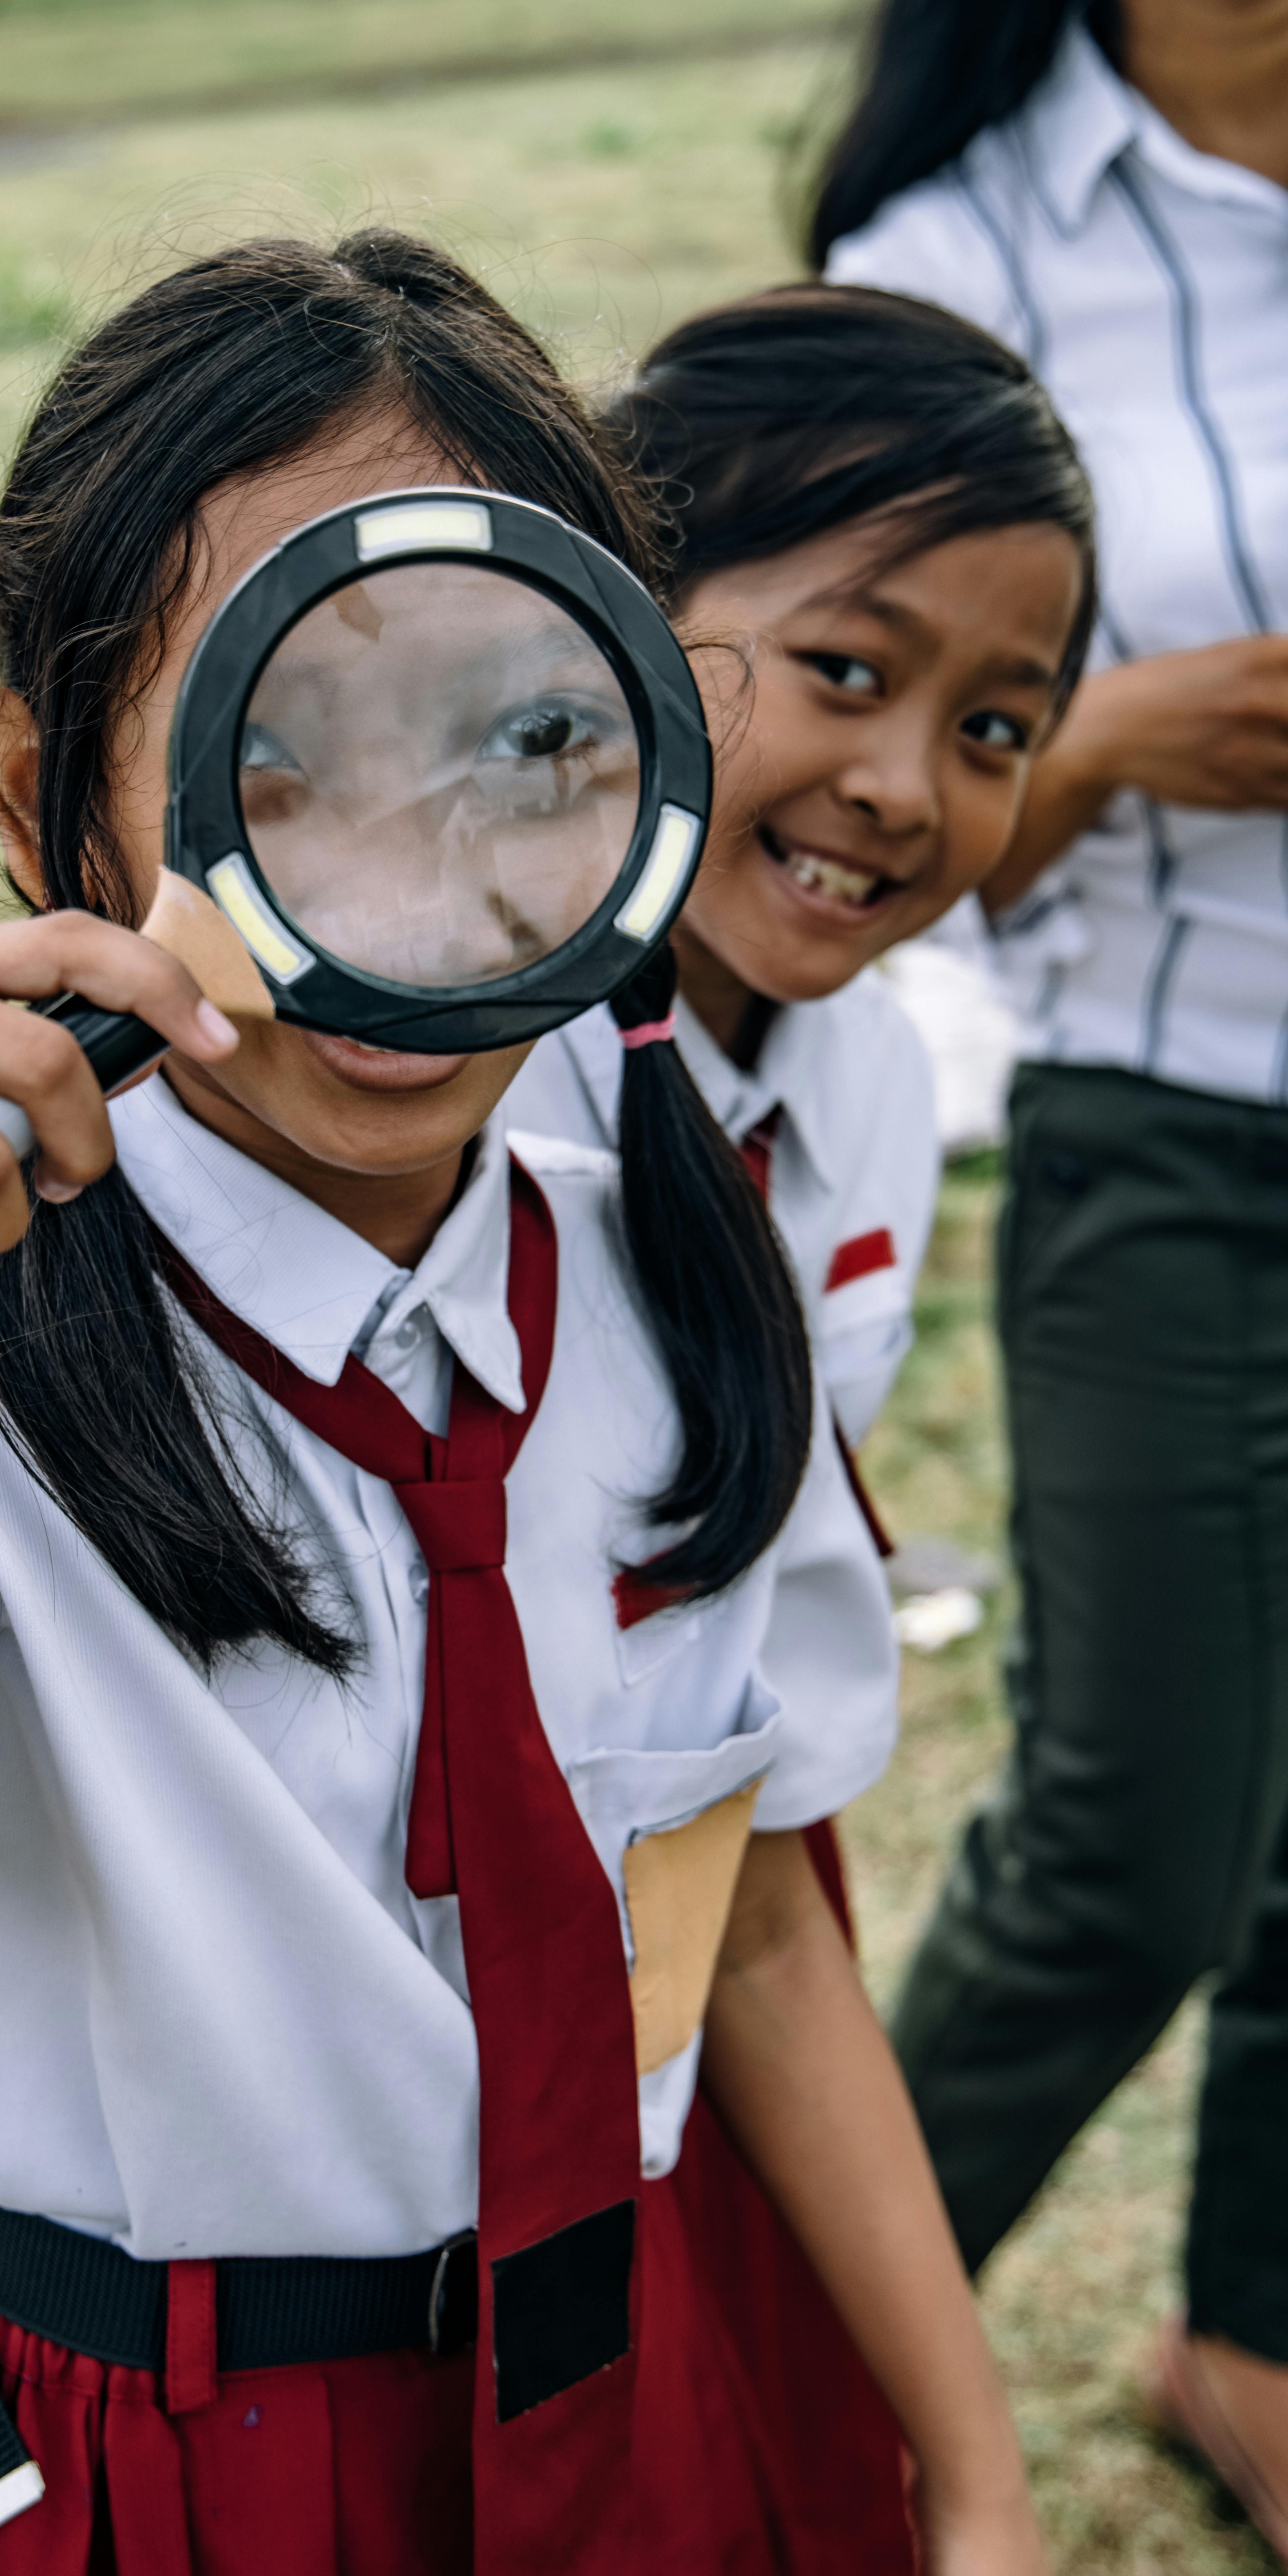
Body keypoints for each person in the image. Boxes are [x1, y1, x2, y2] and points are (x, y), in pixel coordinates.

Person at [0, 231, 1052, 2576]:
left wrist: (969, 2481)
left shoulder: (668, 1245)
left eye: (523, 740)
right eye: (284, 764)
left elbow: (747, 1922)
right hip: (136, 2484)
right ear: (43, 783)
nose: (418, 880)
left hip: (623, 2406)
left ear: (647, 753)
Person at [504, 277, 1097, 2555]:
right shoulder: (435, 1066)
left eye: (996, 724)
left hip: (709, 1878)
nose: (903, 781)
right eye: (847, 669)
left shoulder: (859, 1070)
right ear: (615, 611)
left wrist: (977, 2466)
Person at [819, 0, 1288, 2544]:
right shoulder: (953, 255)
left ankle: (1253, 2338)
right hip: (1167, 1125)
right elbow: (814, 782)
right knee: (1135, 1840)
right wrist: (1106, 734)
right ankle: (796, 2376)